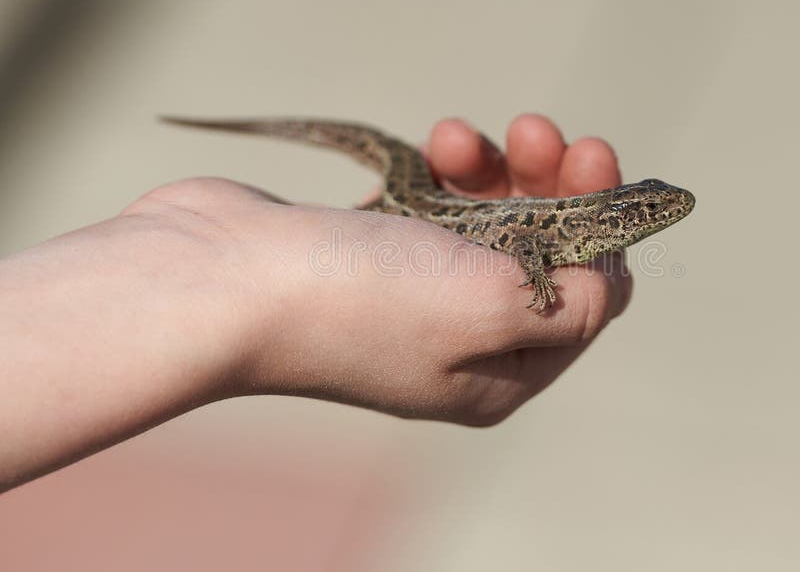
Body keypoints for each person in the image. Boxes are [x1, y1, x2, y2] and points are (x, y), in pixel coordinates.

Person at [0, 114, 632, 492]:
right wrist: (541, 285)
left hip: (449, 208)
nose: (664, 215)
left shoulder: (575, 227)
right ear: (619, 220)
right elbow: (524, 239)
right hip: (428, 206)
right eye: (647, 210)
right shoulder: (564, 231)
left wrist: (214, 259)